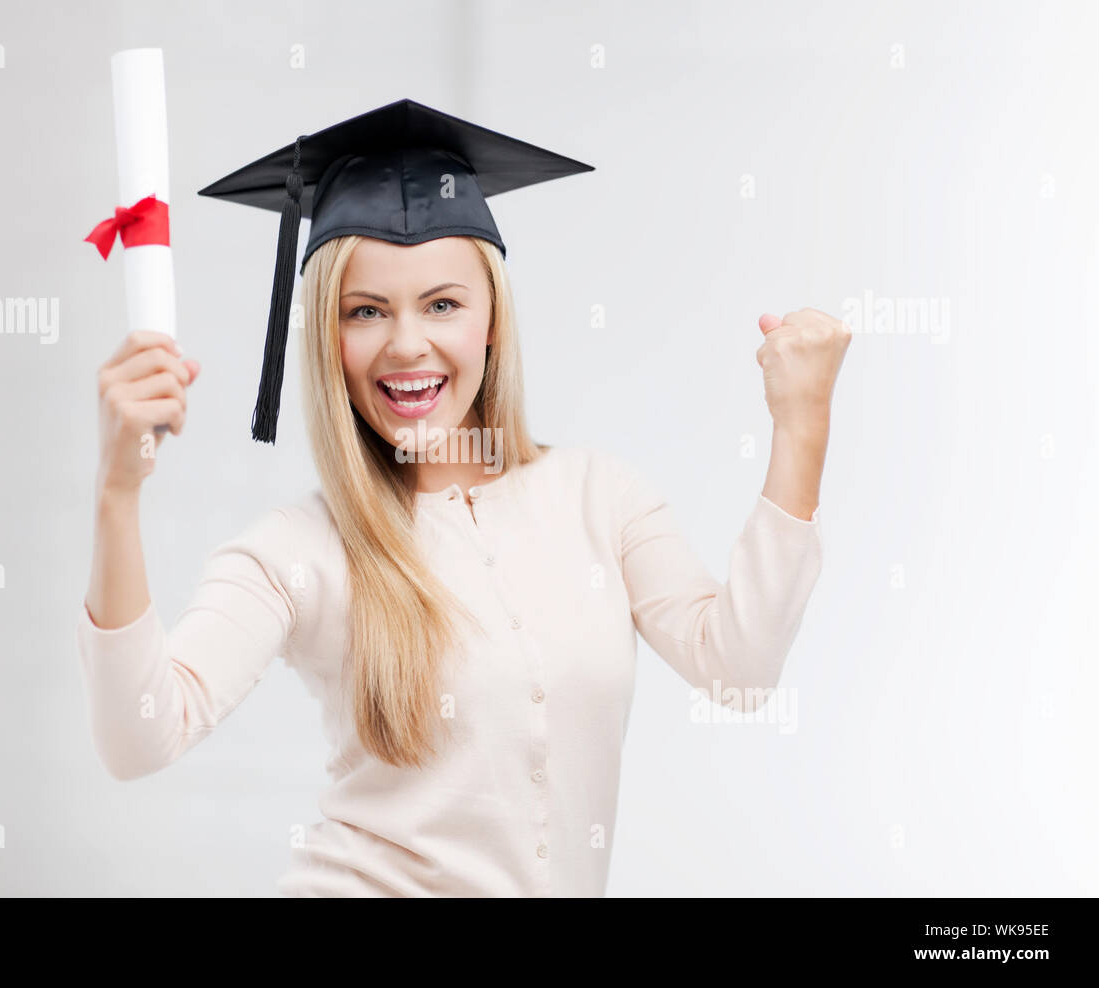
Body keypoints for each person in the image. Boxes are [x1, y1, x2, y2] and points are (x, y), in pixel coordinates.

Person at [76, 99, 850, 896]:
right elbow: (140, 738)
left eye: (442, 303)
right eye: (366, 311)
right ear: (327, 341)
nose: (406, 343)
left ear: (491, 321)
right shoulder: (300, 550)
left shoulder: (599, 497)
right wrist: (117, 491)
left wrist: (801, 428)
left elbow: (741, 670)